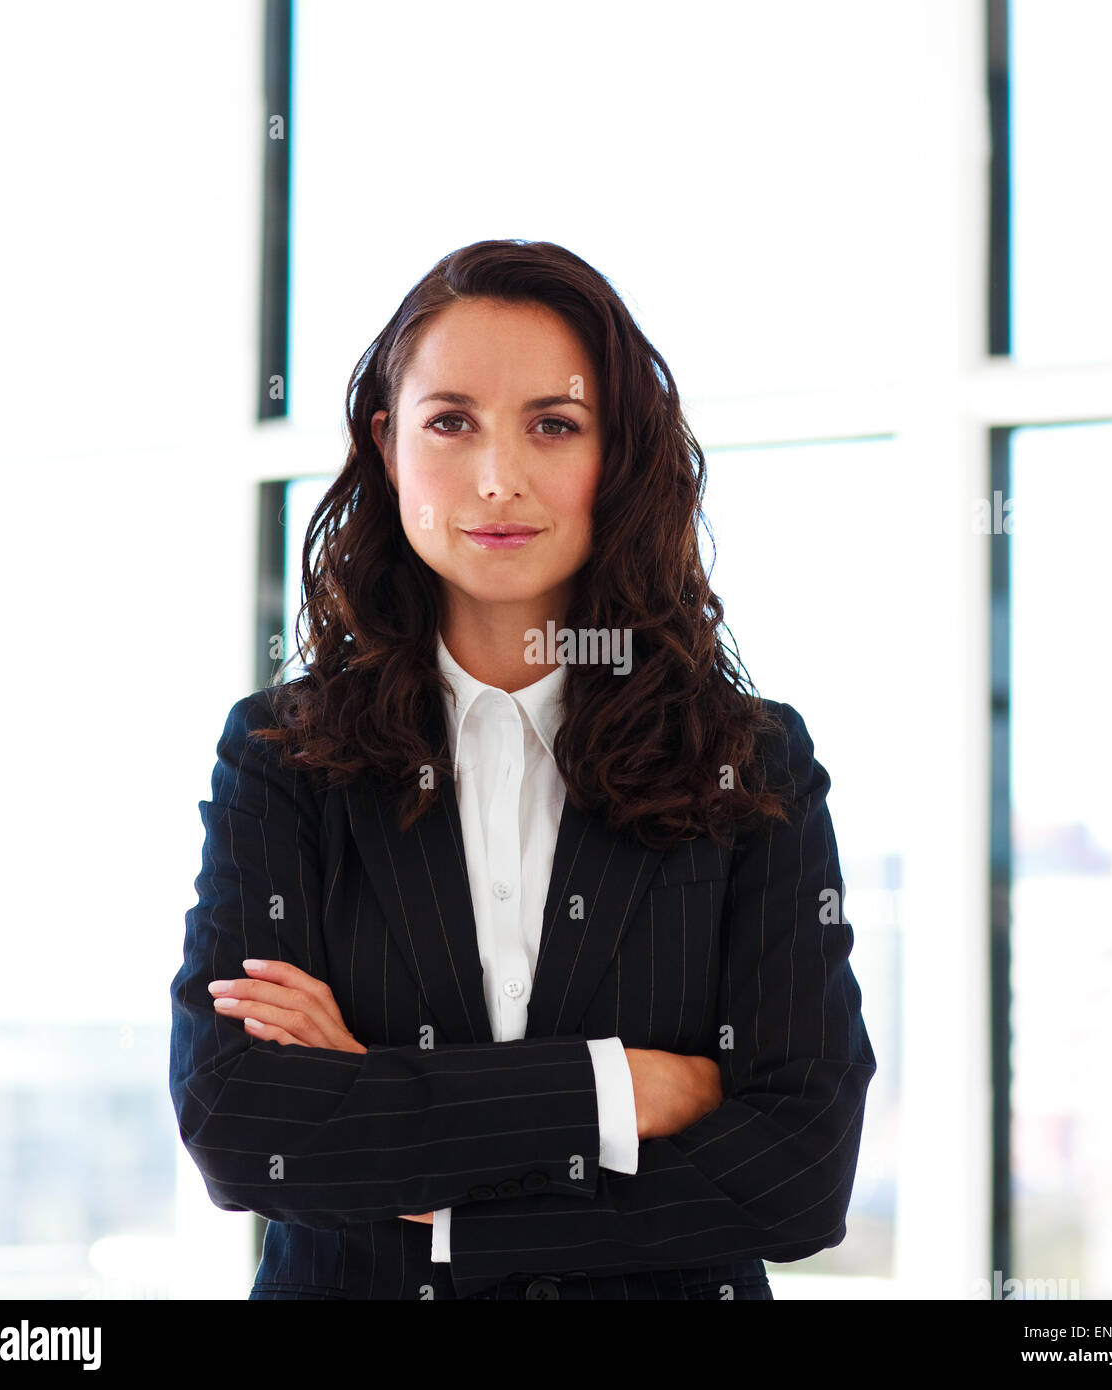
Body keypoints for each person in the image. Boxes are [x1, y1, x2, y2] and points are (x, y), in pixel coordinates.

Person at [169, 238, 876, 1300]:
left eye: (554, 424)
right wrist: (616, 1089)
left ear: (618, 453)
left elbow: (797, 1172)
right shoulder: (284, 755)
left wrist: (408, 1146)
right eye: (449, 422)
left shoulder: (746, 758)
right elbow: (242, 1123)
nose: (498, 477)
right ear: (389, 443)